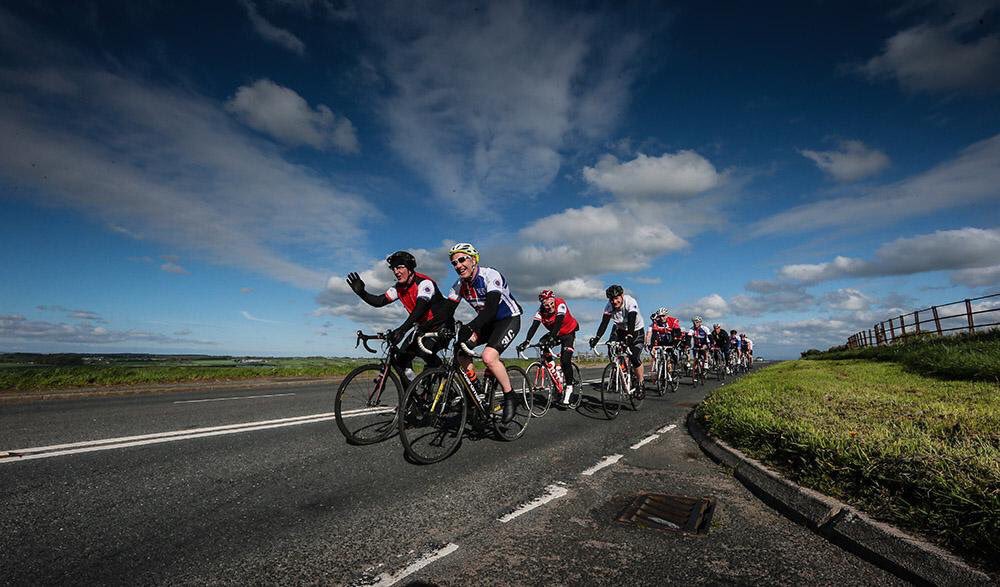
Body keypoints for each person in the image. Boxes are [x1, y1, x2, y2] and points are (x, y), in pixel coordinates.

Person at [345, 251, 454, 385]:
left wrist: (402, 330)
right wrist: (362, 293)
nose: (397, 271)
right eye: (394, 268)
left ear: (410, 268)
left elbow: (420, 309)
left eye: (400, 267)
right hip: (424, 327)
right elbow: (379, 301)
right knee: (401, 359)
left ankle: (443, 371)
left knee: (425, 351)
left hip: (442, 325)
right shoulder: (399, 288)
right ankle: (413, 395)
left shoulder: (424, 283)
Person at [445, 242, 522, 423]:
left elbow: (491, 308)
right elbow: (446, 311)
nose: (458, 265)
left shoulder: (490, 275)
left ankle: (510, 397)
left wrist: (470, 326)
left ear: (473, 260)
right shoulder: (459, 284)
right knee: (460, 350)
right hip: (487, 323)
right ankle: (475, 389)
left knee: (488, 357)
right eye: (454, 263)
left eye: (462, 260)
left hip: (507, 319)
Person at [516, 290, 580, 407]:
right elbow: (534, 326)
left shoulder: (560, 304)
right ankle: (555, 373)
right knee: (542, 344)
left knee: (565, 360)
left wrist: (552, 338)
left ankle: (569, 388)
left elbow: (558, 323)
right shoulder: (540, 312)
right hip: (556, 333)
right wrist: (527, 341)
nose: (550, 307)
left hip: (568, 332)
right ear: (542, 304)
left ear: (554, 300)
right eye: (546, 305)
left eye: (551, 303)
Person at [589, 285, 645, 390]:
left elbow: (632, 319)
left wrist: (630, 335)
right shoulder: (609, 307)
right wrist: (596, 338)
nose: (614, 301)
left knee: (634, 357)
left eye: (616, 298)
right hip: (621, 331)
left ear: (622, 296)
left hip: (636, 331)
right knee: (611, 347)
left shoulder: (630, 302)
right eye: (611, 299)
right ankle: (619, 369)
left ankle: (640, 383)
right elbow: (604, 324)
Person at [688, 316, 711, 382]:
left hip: (704, 343)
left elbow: (710, 337)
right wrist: (687, 345)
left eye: (697, 322)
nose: (695, 324)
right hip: (696, 345)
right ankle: (695, 374)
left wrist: (711, 344)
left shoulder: (705, 328)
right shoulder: (692, 329)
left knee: (704, 349)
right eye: (694, 322)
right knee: (695, 359)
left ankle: (706, 362)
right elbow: (688, 338)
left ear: (700, 322)